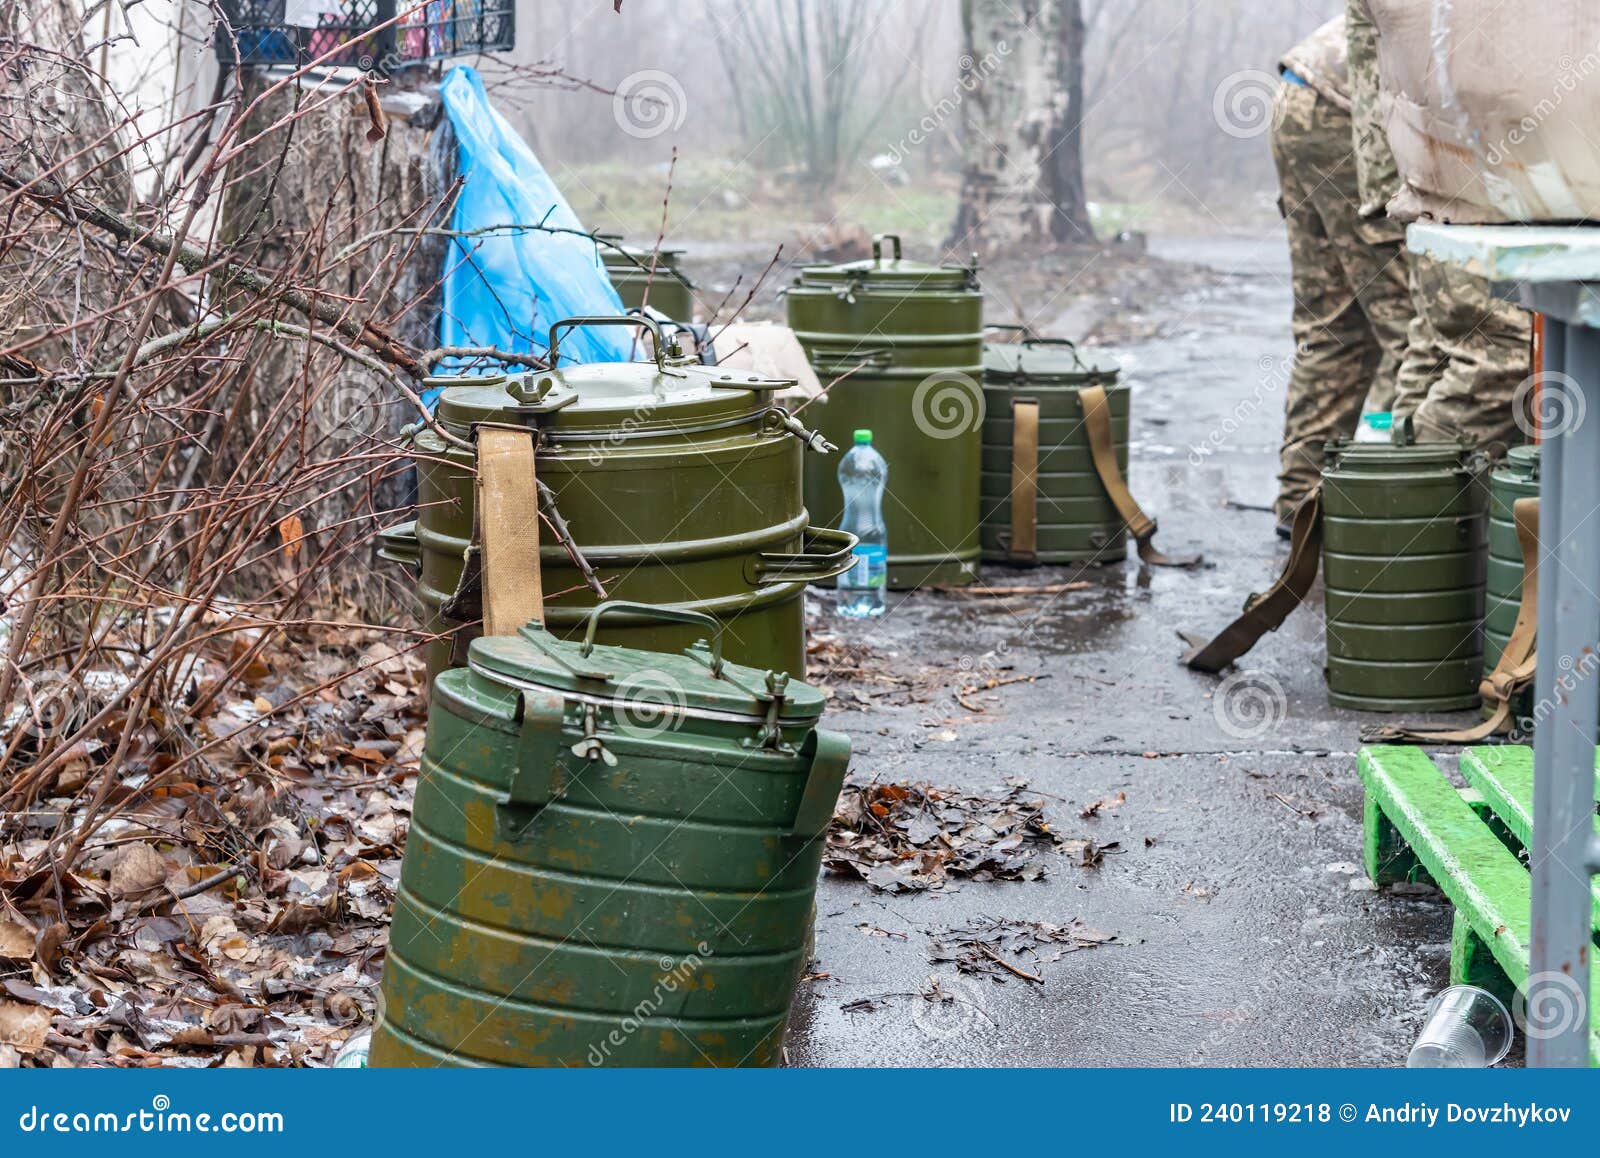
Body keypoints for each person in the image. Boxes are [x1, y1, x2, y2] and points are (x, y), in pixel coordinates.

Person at [1346, 0, 1531, 447]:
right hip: (1457, 169)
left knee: (1437, 347)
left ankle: (1400, 500)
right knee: (1498, 356)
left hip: (1440, 168)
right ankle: (1409, 501)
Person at [1271, 16, 1417, 533]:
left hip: (1300, 96)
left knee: (1334, 326)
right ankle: (1378, 507)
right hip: (1346, 116)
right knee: (1413, 330)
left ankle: (1301, 506)